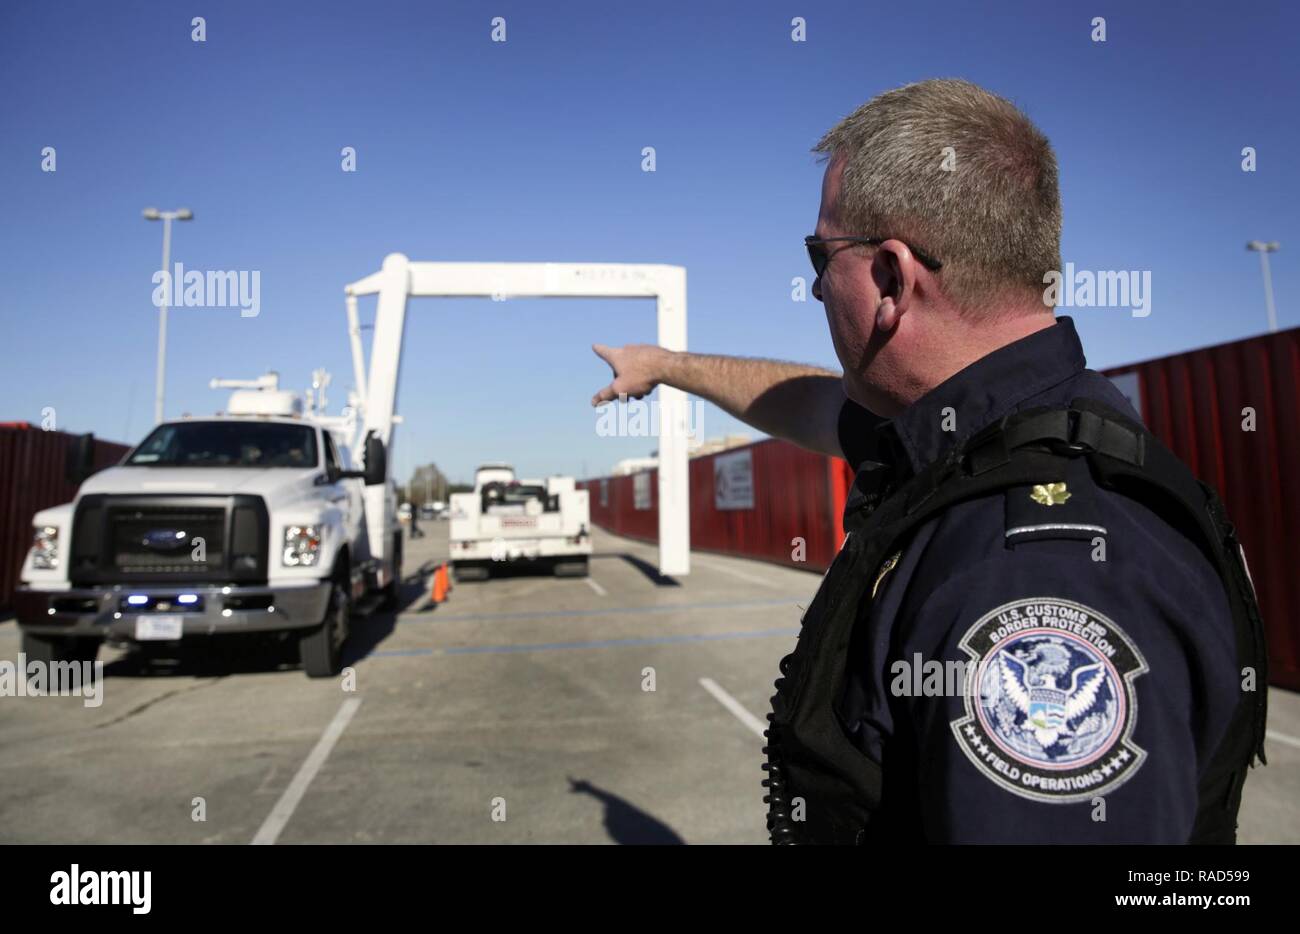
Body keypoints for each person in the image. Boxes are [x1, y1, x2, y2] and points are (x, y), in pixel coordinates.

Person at [590, 79, 1266, 844]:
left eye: (819, 254)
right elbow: (810, 407)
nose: (813, 287)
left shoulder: (1032, 578)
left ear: (890, 277)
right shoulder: (1001, 424)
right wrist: (666, 364)